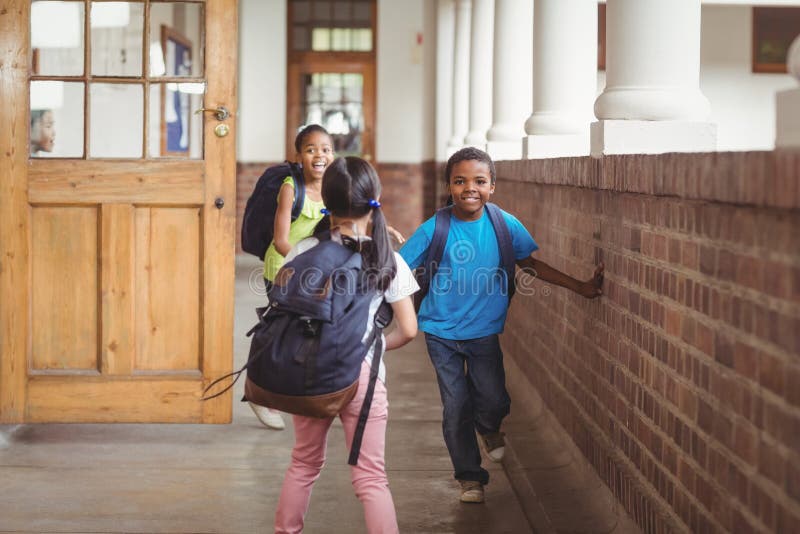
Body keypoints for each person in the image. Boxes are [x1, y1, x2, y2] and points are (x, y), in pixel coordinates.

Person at [399, 147, 604, 504]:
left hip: (483, 332)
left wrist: (581, 286)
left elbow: (530, 264)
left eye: (479, 181)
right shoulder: (436, 227)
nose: (469, 188)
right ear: (449, 185)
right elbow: (397, 269)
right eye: (460, 181)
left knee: (492, 399)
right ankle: (470, 477)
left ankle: (490, 427)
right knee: (456, 405)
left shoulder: (504, 225)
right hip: (440, 332)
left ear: (493, 185)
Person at [274, 156, 418, 534]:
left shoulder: (304, 250)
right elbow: (408, 329)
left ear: (329, 201)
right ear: (375, 199)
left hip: (308, 371)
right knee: (371, 479)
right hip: (362, 375)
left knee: (303, 464)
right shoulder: (387, 257)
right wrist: (372, 348)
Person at [249, 124, 406, 431]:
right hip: (290, 267)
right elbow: (281, 240)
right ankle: (265, 387)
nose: (319, 155)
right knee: (288, 329)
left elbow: (350, 219)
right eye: (310, 150)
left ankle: (318, 376)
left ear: (334, 155)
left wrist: (378, 232)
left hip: (323, 263)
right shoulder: (290, 188)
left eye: (326, 149)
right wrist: (308, 259)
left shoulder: (337, 186)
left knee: (320, 325)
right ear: (298, 157)